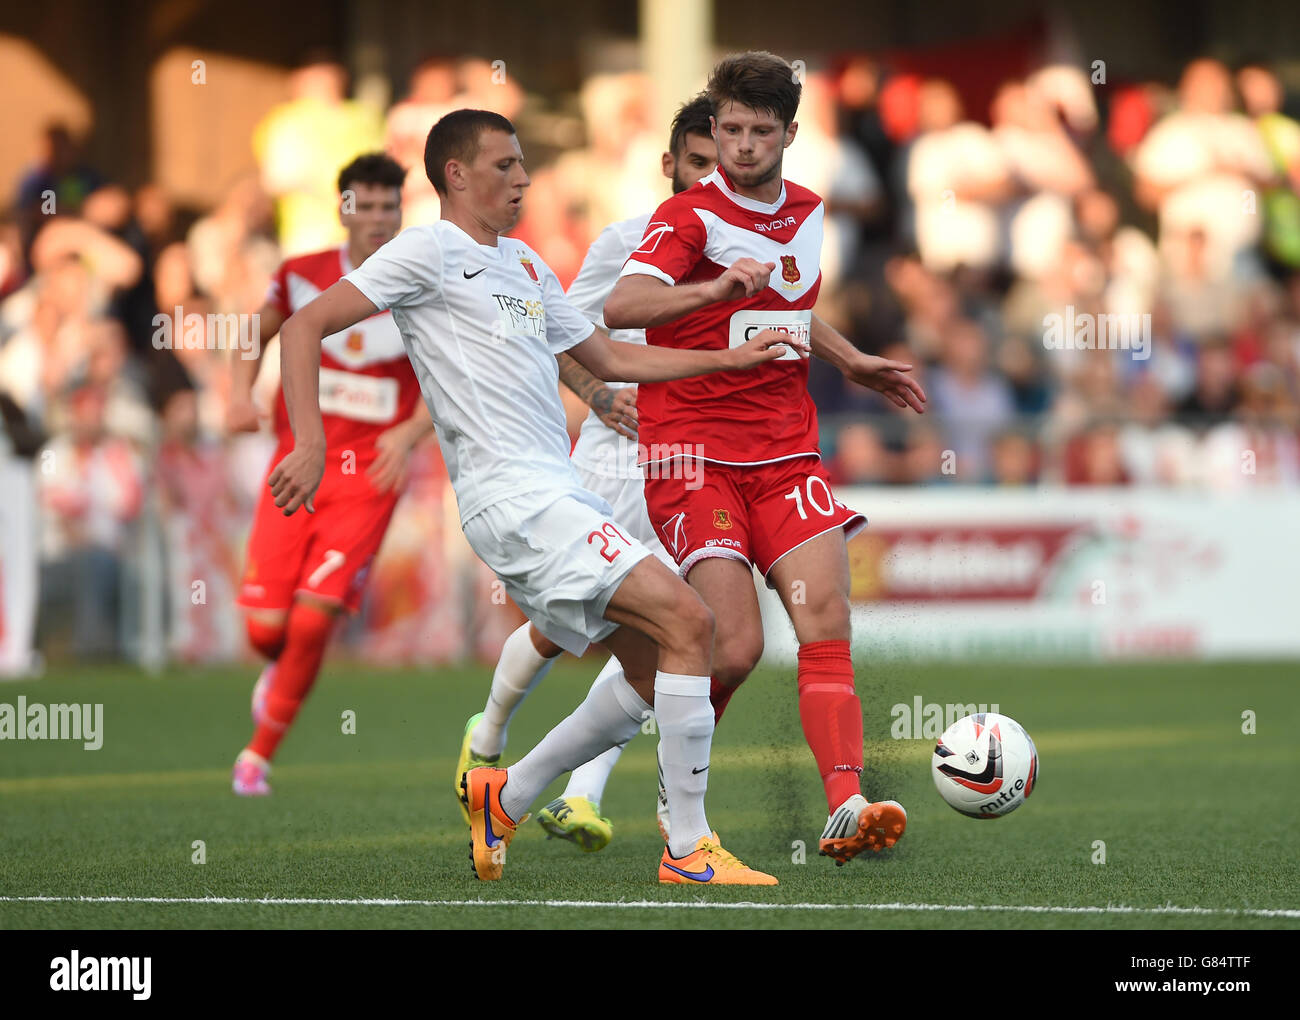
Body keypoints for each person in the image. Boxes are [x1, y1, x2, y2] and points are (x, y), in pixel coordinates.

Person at [269, 109, 797, 884]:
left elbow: (610, 354)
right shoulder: (428, 250)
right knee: (693, 621)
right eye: (506, 165)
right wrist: (308, 442)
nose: (523, 179)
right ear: (455, 174)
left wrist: (730, 356)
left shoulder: (525, 265)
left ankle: (506, 795)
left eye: (523, 166)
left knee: (658, 671)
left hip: (555, 494)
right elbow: (302, 325)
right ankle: (688, 849)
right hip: (514, 502)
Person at [603, 51, 926, 865]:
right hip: (693, 452)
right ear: (714, 128)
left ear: (788, 133)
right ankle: (662, 783)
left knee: (826, 618)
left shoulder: (810, 212)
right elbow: (623, 305)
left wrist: (850, 360)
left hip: (785, 451)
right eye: (730, 129)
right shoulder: (688, 218)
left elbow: (790, 305)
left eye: (759, 131)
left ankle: (845, 803)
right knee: (735, 645)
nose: (743, 145)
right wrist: (712, 292)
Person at [453, 94, 719, 853]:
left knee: (671, 635)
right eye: (694, 163)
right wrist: (600, 397)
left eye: (718, 164)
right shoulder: (627, 241)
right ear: (669, 165)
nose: (706, 178)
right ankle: (492, 734)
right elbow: (562, 335)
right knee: (563, 631)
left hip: (692, 466)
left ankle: (579, 794)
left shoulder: (740, 247)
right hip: (615, 464)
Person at [228, 153, 433, 795]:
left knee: (315, 620)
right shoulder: (299, 277)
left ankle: (256, 757)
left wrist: (407, 433)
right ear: (342, 209)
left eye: (387, 206)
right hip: (297, 469)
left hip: (368, 478)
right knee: (265, 631)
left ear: (402, 211)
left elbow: (449, 379)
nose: (376, 218)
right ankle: (277, 666)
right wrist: (237, 394)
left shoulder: (424, 286)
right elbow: (252, 336)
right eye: (364, 206)